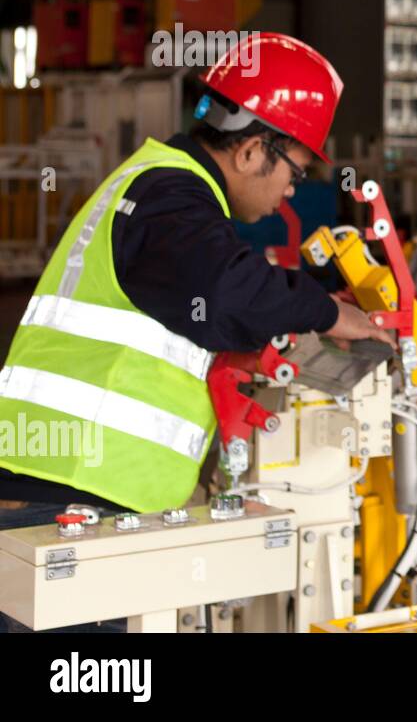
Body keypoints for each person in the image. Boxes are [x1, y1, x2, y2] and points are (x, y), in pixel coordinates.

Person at [0, 33, 393, 617]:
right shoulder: (167, 196)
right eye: (295, 169)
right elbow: (226, 290)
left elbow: (205, 299)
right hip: (71, 496)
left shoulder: (164, 189)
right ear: (253, 149)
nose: (291, 189)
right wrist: (332, 314)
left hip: (68, 483)